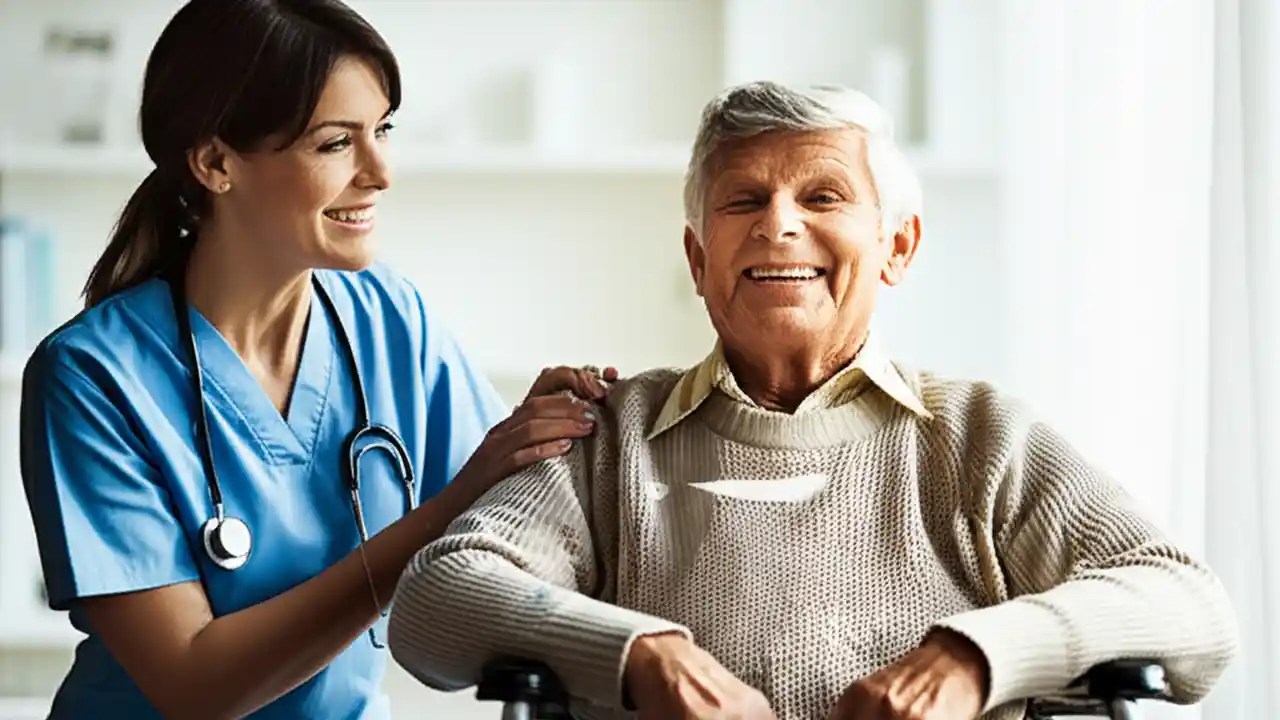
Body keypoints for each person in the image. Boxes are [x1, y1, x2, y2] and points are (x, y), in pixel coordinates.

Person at [386, 81, 1240, 720]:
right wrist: (643, 652)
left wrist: (975, 657)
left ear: (896, 246)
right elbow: (435, 599)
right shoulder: (612, 431)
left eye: (822, 196)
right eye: (743, 201)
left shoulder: (979, 436)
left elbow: (1190, 609)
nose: (778, 224)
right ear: (698, 257)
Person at [18, 1, 612, 717]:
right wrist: (445, 508)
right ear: (215, 162)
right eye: (336, 144)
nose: (381, 171)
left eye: (383, 130)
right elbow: (196, 685)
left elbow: (505, 525)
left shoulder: (392, 317)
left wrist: (541, 442)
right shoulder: (93, 377)